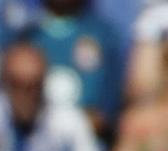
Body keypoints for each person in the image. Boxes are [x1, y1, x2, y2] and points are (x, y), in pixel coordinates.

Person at [18, 0, 123, 139]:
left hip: (90, 148)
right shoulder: (26, 36)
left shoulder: (103, 35)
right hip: (34, 148)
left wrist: (76, 123)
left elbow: (108, 114)